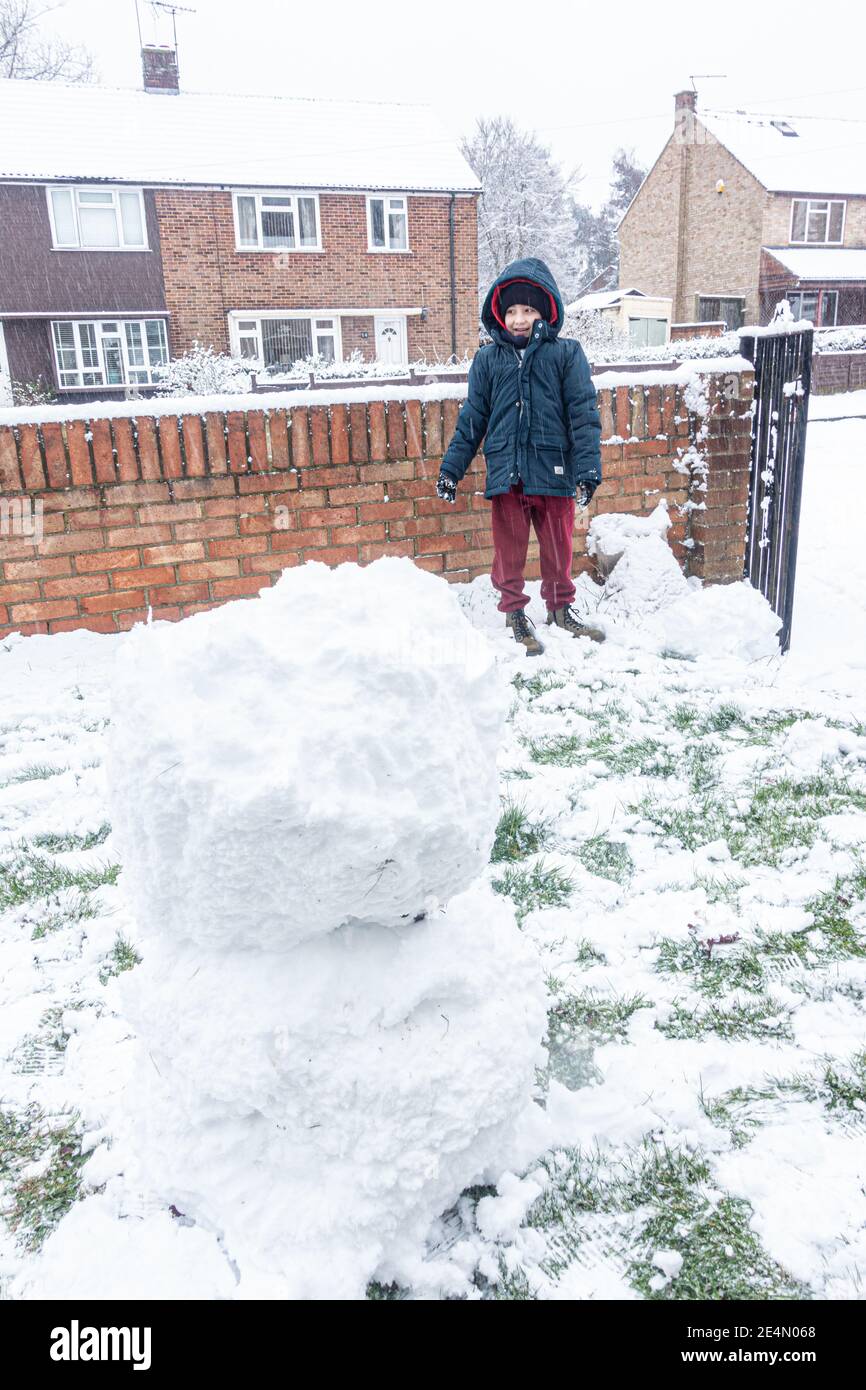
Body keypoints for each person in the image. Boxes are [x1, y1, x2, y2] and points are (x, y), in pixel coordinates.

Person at [437, 256, 604, 656]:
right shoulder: (488, 360)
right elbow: (472, 419)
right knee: (508, 553)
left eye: (528, 309)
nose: (518, 319)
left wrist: (587, 469)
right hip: (507, 474)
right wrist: (451, 470)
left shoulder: (565, 355)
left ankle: (561, 608)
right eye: (511, 310)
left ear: (545, 309)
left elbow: (583, 413)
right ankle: (514, 613)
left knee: (558, 549)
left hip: (555, 469)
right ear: (500, 313)